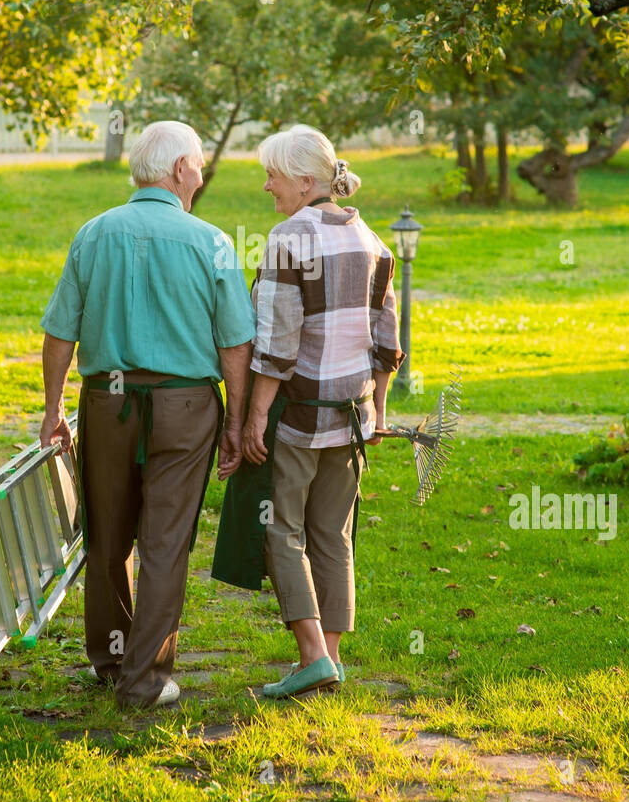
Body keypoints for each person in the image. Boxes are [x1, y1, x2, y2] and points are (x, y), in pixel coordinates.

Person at [39, 121, 254, 708]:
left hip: (106, 402)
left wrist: (53, 409)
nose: (202, 173)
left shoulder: (93, 233)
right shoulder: (212, 241)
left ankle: (111, 661)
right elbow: (236, 343)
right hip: (186, 405)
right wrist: (236, 421)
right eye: (200, 163)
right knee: (165, 541)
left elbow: (60, 331)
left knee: (107, 536)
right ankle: (146, 679)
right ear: (181, 169)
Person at [212, 124, 404, 698]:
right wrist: (378, 414)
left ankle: (313, 655)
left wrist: (250, 419)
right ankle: (331, 660)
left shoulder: (288, 238)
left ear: (302, 180)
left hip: (299, 417)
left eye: (272, 173)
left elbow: (275, 342)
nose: (266, 184)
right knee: (334, 535)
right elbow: (386, 340)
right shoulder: (372, 239)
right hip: (353, 415)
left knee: (281, 530)